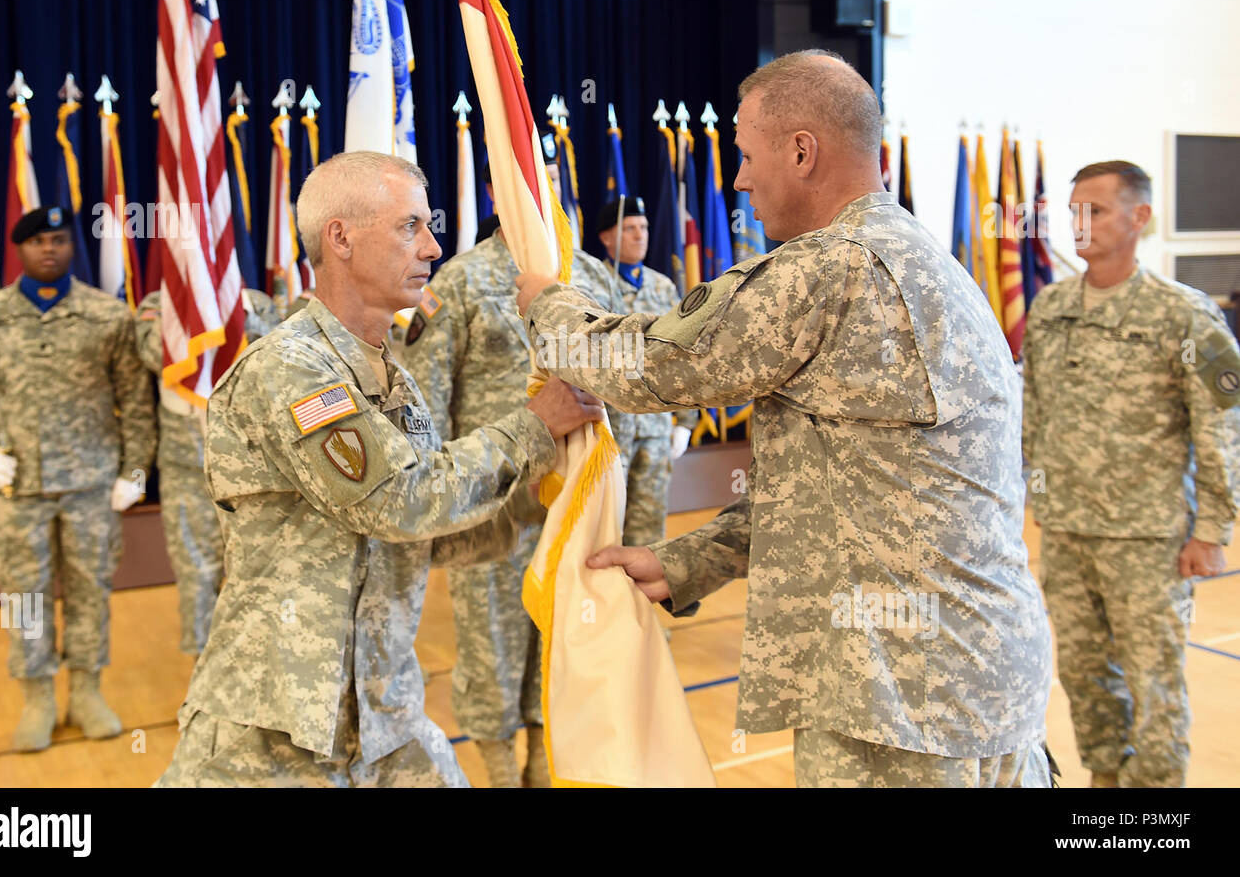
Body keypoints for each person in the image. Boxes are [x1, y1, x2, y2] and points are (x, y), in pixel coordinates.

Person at [515, 50, 1052, 787]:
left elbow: (650, 367)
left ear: (801, 151)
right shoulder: (928, 259)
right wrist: (687, 563)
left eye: (744, 154)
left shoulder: (832, 268)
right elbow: (842, 492)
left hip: (895, 701)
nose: (738, 180)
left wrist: (548, 306)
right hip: (983, 680)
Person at [156, 152, 603, 787]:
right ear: (340, 237)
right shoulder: (293, 367)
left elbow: (425, 534)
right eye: (410, 227)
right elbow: (398, 501)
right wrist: (533, 427)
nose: (433, 246)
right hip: (276, 725)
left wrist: (541, 501)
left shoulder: (393, 381)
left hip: (383, 715)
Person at [399, 156, 637, 788]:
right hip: (493, 502)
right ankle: (501, 771)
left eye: (552, 179)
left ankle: (544, 765)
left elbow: (624, 396)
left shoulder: (590, 279)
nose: (542, 191)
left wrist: (623, 495)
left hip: (576, 501)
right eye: (527, 179)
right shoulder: (461, 282)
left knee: (560, 643)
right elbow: (424, 402)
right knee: (492, 645)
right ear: (497, 194)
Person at [1023, 160, 1240, 788]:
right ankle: (1105, 789)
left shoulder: (1186, 315)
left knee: (1155, 684)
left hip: (1149, 538)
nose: (1079, 225)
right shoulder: (1053, 307)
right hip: (1067, 531)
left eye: (1095, 210)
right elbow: (1034, 412)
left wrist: (1213, 529)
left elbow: (1222, 427)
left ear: (1139, 217)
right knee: (1085, 677)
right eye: (1074, 212)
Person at [0, 205, 156, 751]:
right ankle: (38, 699)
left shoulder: (108, 317)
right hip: (18, 488)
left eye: (59, 240)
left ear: (69, 247)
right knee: (26, 596)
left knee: (90, 591)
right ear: (20, 249)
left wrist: (135, 472)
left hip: (90, 485)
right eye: (38, 242)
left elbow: (134, 400)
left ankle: (87, 692)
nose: (50, 250)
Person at [134, 287, 281, 655]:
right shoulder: (157, 305)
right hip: (187, 465)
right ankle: (202, 669)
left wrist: (237, 312)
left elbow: (275, 357)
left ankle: (253, 667)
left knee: (256, 573)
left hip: (251, 468)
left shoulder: (257, 304)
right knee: (195, 572)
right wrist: (190, 307)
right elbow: (155, 354)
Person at [594, 197, 697, 546]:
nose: (640, 235)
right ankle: (606, 601)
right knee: (605, 529)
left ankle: (641, 600)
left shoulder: (663, 287)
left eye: (644, 228)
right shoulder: (592, 286)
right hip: (609, 428)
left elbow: (681, 355)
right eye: (629, 228)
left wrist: (684, 423)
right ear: (607, 238)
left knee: (649, 529)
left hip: (654, 427)